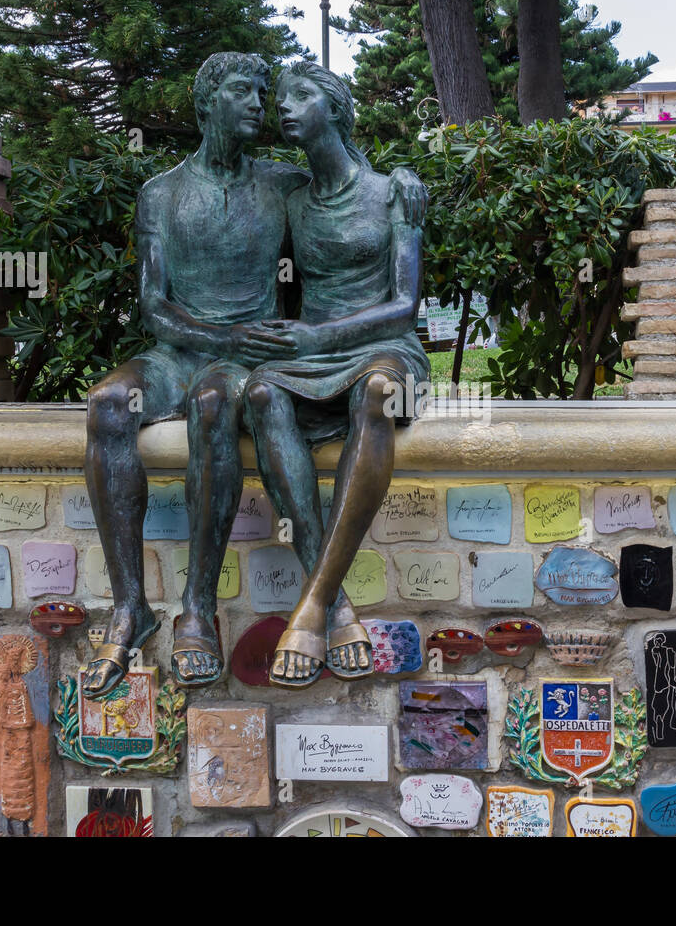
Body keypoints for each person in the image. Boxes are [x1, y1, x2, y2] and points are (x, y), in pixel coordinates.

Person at [82, 53, 426, 698]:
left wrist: (400, 179)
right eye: (243, 92)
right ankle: (130, 607)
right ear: (206, 101)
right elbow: (154, 307)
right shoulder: (161, 193)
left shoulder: (281, 185)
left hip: (238, 360)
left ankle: (198, 608)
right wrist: (222, 334)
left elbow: (343, 186)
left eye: (263, 94)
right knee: (105, 404)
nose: (260, 107)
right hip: (182, 348)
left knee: (217, 403)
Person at [243, 61, 430, 688]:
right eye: (282, 99)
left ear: (337, 108)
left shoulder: (393, 191)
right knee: (264, 393)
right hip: (309, 353)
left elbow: (405, 304)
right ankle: (336, 602)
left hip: (386, 346)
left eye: (302, 96)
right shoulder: (291, 200)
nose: (284, 108)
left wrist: (318, 335)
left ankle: (314, 604)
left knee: (377, 393)